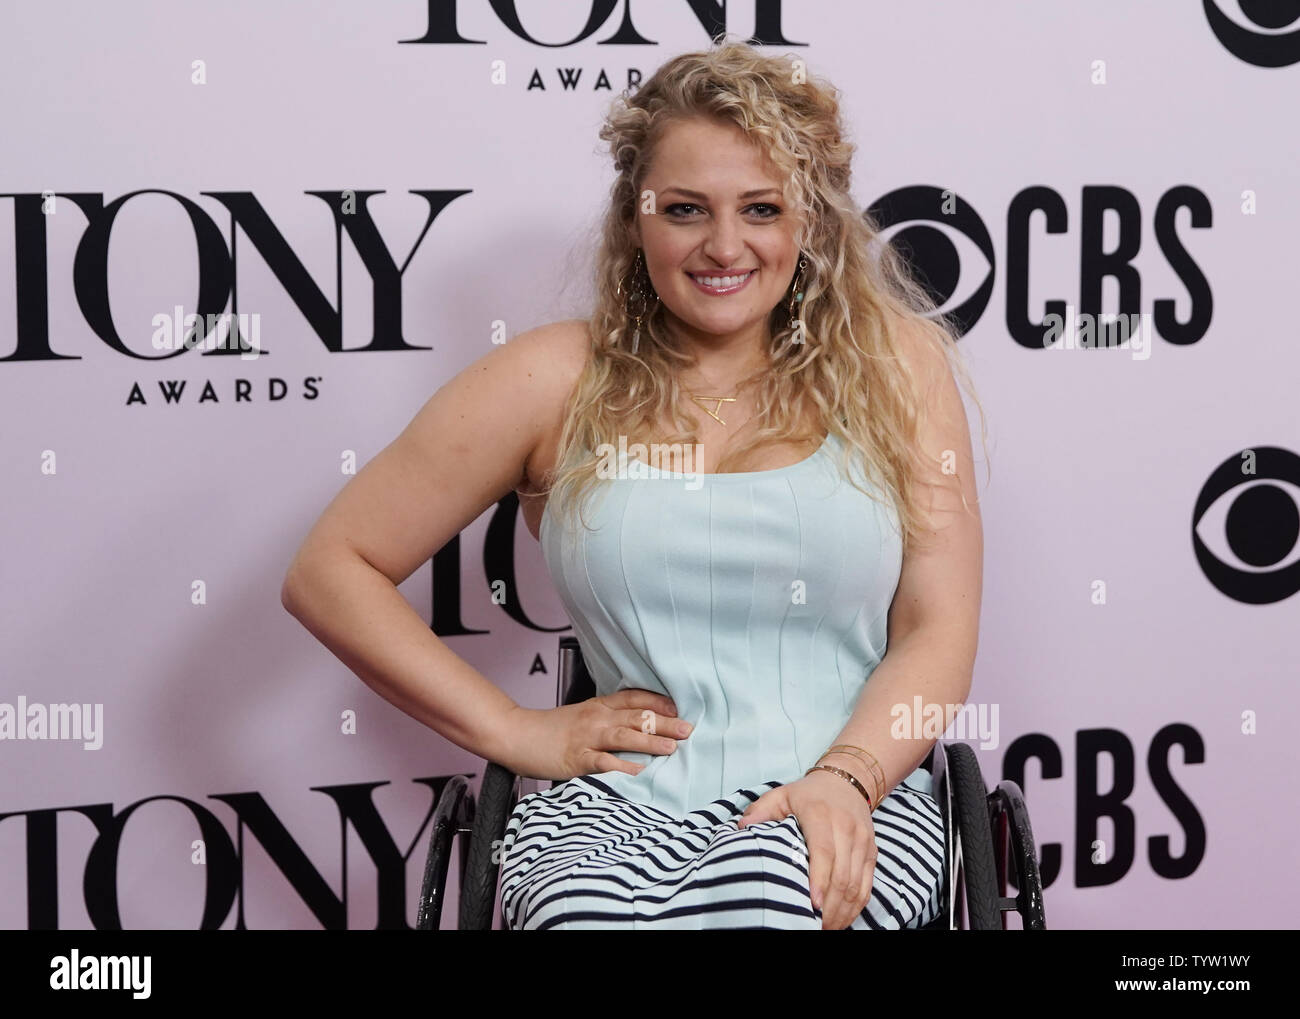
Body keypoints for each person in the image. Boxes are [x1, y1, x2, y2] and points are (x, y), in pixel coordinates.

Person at [282, 39, 985, 930]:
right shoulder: (554, 379)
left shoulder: (898, 365)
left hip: (851, 787)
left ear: (810, 219)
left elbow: (938, 624)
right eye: (686, 209)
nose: (724, 245)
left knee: (774, 904)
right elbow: (330, 568)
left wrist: (848, 778)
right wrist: (515, 728)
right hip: (611, 808)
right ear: (635, 216)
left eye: (761, 208)